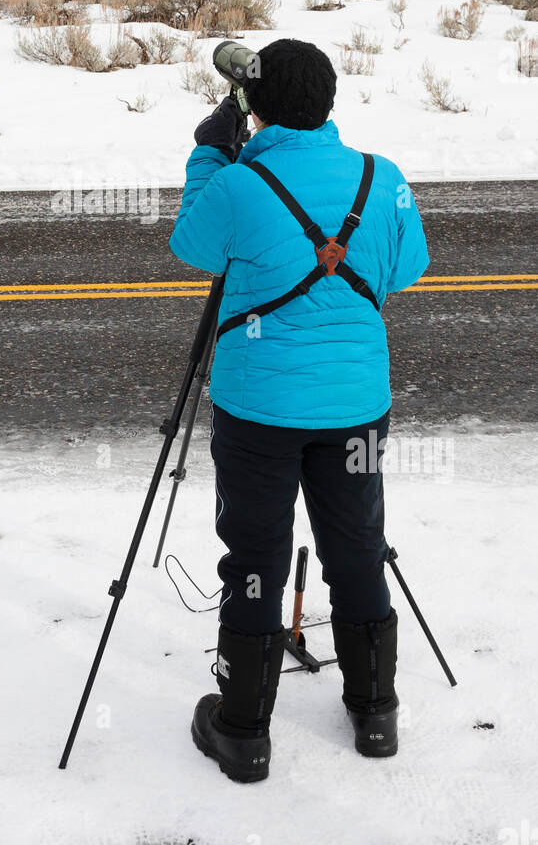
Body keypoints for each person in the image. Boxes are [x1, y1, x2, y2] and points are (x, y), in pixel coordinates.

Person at [169, 38, 429, 783]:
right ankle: (375, 713)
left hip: (260, 412)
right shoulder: (384, 179)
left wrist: (210, 156)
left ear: (257, 108)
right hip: (355, 405)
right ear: (329, 100)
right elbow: (405, 268)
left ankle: (244, 731)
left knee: (255, 558)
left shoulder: (239, 181)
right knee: (356, 544)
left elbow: (193, 244)